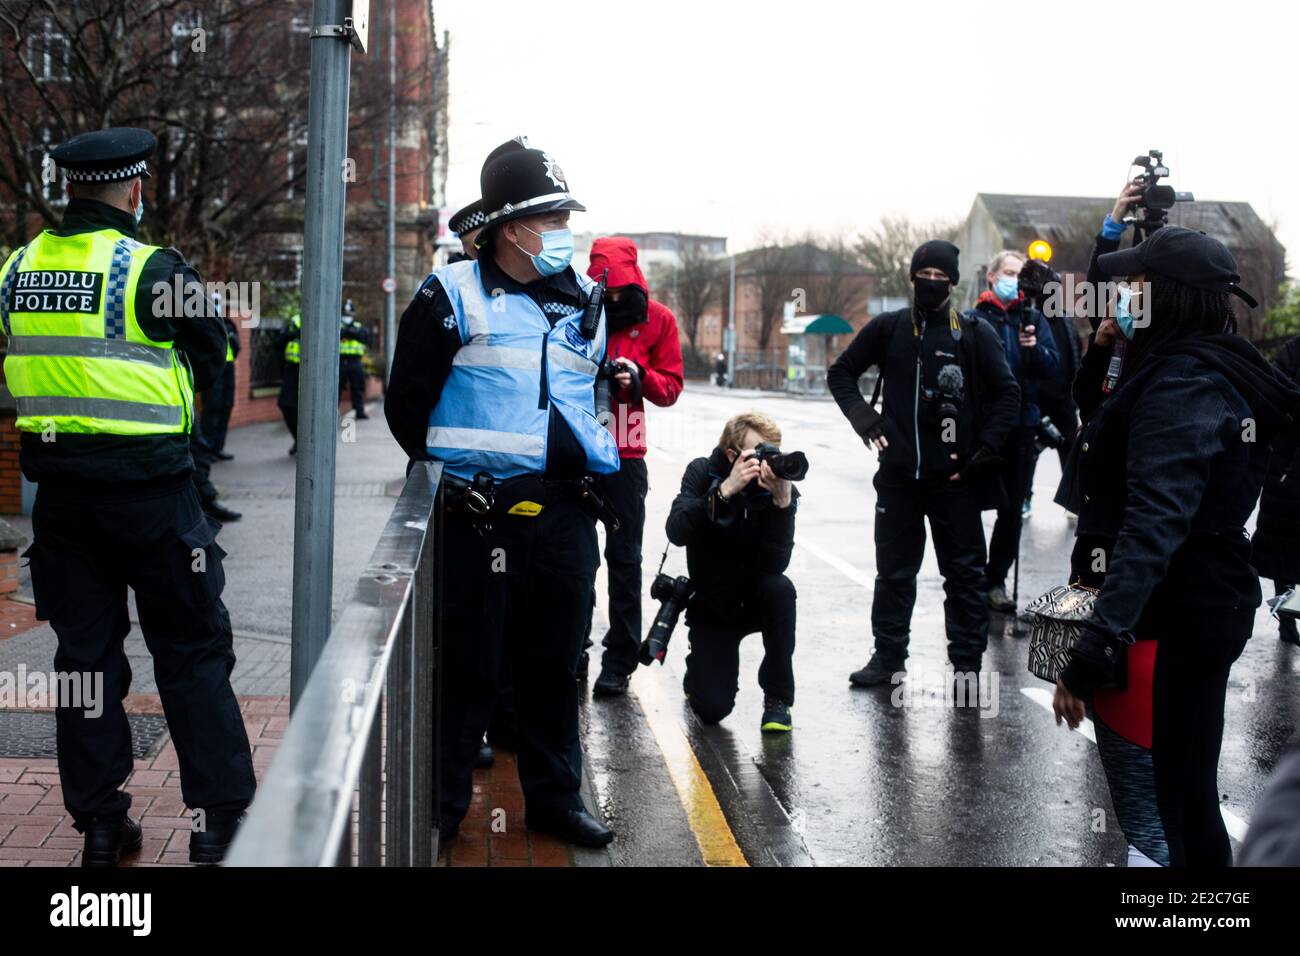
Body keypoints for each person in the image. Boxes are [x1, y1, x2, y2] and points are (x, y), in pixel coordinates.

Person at [0, 128, 255, 866]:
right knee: (193, 654)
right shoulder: (151, 268)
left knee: (84, 662)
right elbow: (215, 352)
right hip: (155, 501)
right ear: (135, 190)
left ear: (70, 189)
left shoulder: (16, 268)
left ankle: (102, 827)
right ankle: (218, 825)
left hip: (64, 506)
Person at [385, 140, 620, 848]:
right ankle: (443, 807)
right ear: (510, 228)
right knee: (468, 671)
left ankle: (555, 801)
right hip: (477, 519)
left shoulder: (586, 300)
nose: (562, 230)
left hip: (564, 516)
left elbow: (590, 397)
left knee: (555, 668)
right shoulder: (450, 294)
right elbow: (407, 405)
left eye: (564, 216)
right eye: (550, 218)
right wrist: (456, 479)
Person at [1051, 225, 1300, 867]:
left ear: (1170, 296)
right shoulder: (1189, 362)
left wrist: (1096, 646)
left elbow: (1154, 522)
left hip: (1171, 615)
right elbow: (1102, 425)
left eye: (1136, 284)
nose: (1123, 295)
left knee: (1172, 811)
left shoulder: (1183, 383)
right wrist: (1106, 352)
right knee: (1180, 798)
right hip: (1193, 606)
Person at [827, 240, 1020, 688]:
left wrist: (982, 454)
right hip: (897, 478)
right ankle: (888, 656)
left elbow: (1009, 394)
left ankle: (968, 666)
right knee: (894, 573)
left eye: (940, 276)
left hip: (955, 480)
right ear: (911, 278)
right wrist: (865, 419)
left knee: (965, 577)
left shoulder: (972, 332)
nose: (931, 283)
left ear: (953, 282)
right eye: (924, 275)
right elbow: (841, 373)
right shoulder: (889, 328)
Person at [587, 237, 684, 697]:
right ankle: (570, 649)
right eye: (606, 290)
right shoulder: (579, 308)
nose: (613, 300)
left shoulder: (659, 320)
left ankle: (620, 659)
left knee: (624, 559)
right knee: (573, 558)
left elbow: (671, 388)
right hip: (576, 451)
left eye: (621, 292)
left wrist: (639, 377)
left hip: (625, 456)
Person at [666, 412, 799, 731]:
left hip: (755, 598)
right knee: (712, 710)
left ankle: (777, 699)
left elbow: (775, 564)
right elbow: (676, 531)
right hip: (713, 605)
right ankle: (697, 666)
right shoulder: (702, 471)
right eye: (760, 454)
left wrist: (782, 509)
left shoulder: (776, 486)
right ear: (732, 455)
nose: (769, 462)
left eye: (774, 453)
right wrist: (723, 491)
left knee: (781, 589)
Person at [971, 251, 1060, 611]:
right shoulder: (974, 320)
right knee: (972, 504)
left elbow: (1054, 366)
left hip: (1023, 425)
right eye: (1007, 272)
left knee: (1011, 510)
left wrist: (1034, 348)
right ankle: (970, 575)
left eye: (1018, 273)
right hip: (983, 428)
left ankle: (995, 580)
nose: (1013, 279)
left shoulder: (1034, 318)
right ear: (992, 277)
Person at [1250, 334, 1300, 645]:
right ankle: (1287, 618)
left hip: (1286, 463)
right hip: (1288, 462)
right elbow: (1271, 394)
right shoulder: (1292, 352)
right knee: (1284, 544)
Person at [199, 295, 240, 461]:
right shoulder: (205, 322)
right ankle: (206, 449)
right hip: (214, 368)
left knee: (226, 406)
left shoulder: (228, 324)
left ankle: (217, 447)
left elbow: (237, 348)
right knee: (212, 407)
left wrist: (233, 339)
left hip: (228, 368)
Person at [338, 299, 370, 419]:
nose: (347, 317)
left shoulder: (358, 326)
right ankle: (333, 412)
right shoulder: (338, 325)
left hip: (355, 362)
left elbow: (365, 337)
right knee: (337, 388)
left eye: (349, 315)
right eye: (345, 315)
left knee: (357, 387)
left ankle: (359, 411)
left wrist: (348, 332)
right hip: (340, 362)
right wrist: (351, 333)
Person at [276, 312, 301, 455]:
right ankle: (299, 439)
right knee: (286, 404)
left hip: (315, 373)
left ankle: (310, 443)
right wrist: (295, 334)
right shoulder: (294, 321)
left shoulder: (325, 315)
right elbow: (278, 342)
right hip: (292, 370)